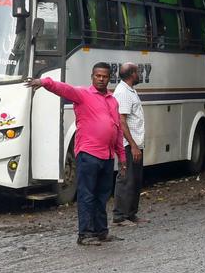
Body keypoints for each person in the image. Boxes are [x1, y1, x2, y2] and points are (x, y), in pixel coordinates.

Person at [26, 63, 126, 245]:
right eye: (98, 76)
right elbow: (63, 88)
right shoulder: (83, 94)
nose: (101, 79)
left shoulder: (113, 101)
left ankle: (101, 231)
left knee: (102, 195)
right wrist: (44, 81)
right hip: (88, 154)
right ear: (92, 76)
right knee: (87, 195)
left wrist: (122, 157)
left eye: (104, 76)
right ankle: (85, 234)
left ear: (109, 78)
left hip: (108, 156)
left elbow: (117, 130)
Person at [112, 62, 146, 226]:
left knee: (135, 179)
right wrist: (132, 145)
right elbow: (122, 121)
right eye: (138, 71)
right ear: (132, 74)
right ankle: (120, 216)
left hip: (135, 143)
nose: (140, 74)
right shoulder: (123, 92)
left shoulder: (130, 90)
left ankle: (131, 213)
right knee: (126, 178)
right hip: (128, 144)